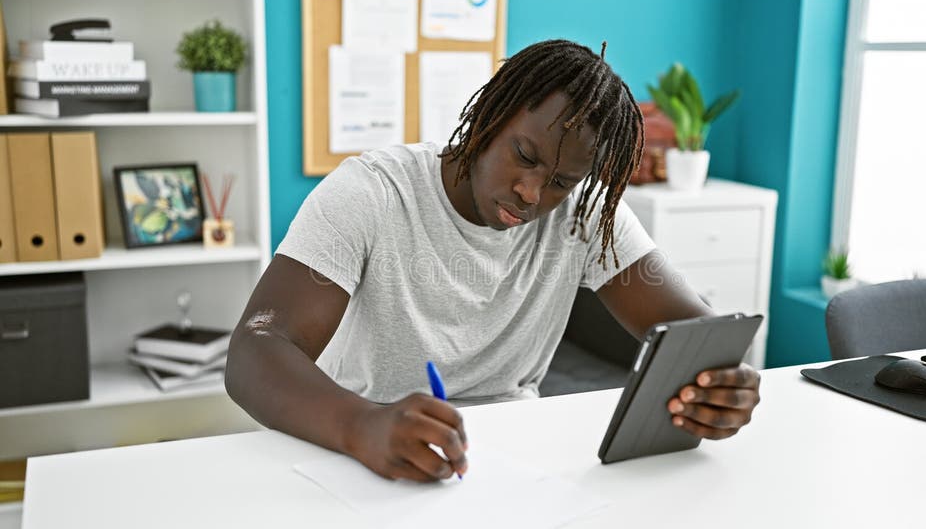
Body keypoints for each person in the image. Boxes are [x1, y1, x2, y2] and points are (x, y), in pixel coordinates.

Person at [225, 39, 761, 483]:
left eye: (561, 181)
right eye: (525, 156)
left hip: (511, 459)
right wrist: (361, 425)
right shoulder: (373, 192)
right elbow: (256, 349)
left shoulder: (583, 213)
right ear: (489, 114)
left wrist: (723, 384)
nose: (532, 193)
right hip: (363, 450)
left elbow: (698, 332)